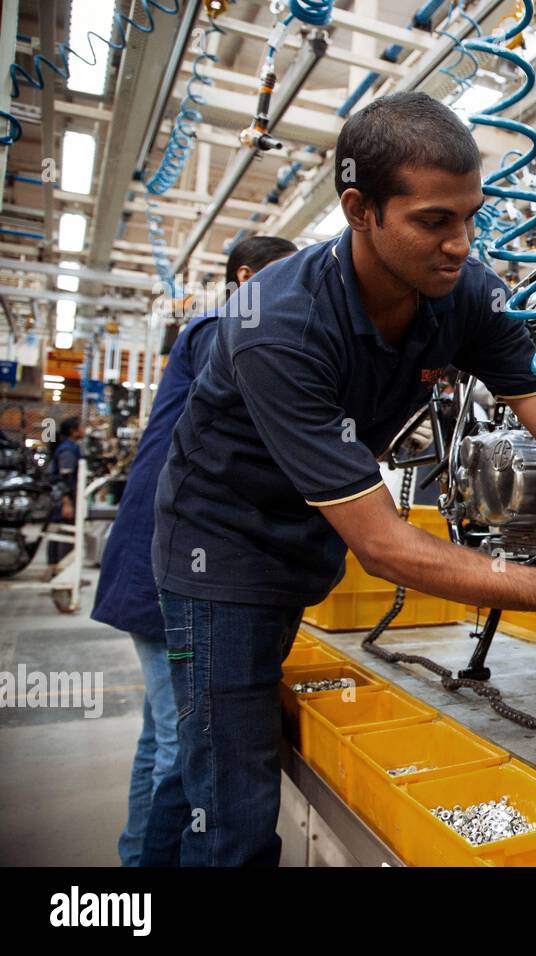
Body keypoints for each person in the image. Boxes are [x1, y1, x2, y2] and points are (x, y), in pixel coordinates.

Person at [144, 92, 536, 866]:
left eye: (470, 217)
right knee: (231, 804)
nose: (460, 243)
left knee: (199, 763)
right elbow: (383, 546)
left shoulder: (460, 292)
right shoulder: (277, 327)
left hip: (302, 544)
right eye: (433, 221)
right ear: (359, 210)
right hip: (220, 561)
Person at [92, 236, 298, 866]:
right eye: (284, 278)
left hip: (161, 552)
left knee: (164, 739)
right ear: (245, 276)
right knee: (185, 750)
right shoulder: (223, 328)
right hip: (171, 562)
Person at [46, 416, 83, 565]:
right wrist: (66, 502)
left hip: (62, 499)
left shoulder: (68, 447)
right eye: (81, 426)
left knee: (58, 534)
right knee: (64, 535)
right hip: (63, 500)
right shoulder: (68, 450)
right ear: (73, 431)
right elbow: (64, 477)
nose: (83, 429)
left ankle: (55, 570)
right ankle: (61, 570)